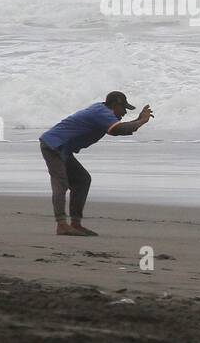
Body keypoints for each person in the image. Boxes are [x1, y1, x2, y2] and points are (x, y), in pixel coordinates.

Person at [39, 91, 153, 236]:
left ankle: (75, 224)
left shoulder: (102, 112)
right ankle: (61, 224)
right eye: (123, 108)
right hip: (54, 145)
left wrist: (138, 120)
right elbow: (118, 130)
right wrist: (141, 121)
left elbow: (119, 127)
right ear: (115, 105)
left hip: (63, 148)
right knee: (60, 183)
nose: (124, 112)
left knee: (82, 180)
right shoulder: (101, 113)